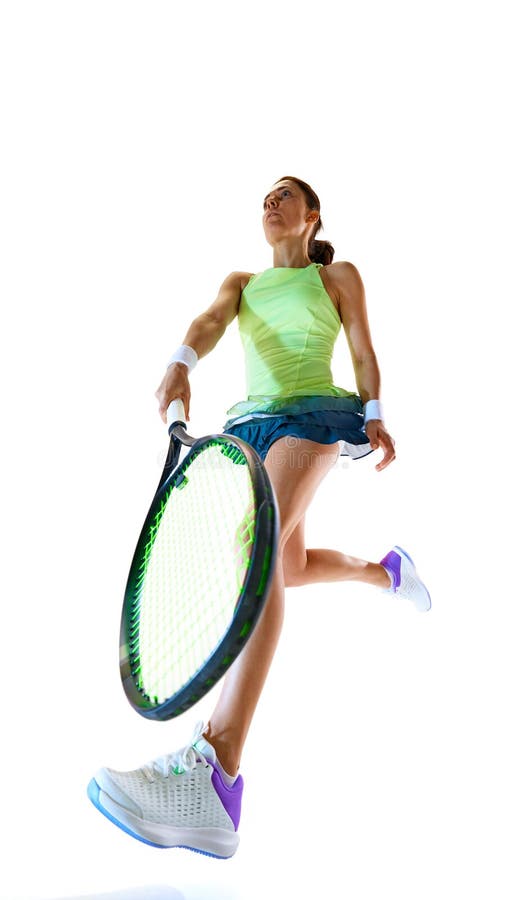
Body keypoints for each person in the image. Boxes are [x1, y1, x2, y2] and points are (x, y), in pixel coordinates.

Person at [87, 176, 431, 858]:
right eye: (265, 198)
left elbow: (362, 346)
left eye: (285, 196)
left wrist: (377, 414)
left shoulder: (337, 275)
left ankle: (218, 768)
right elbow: (209, 323)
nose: (270, 204)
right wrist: (180, 363)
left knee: (263, 558)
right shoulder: (241, 282)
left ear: (313, 216)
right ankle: (384, 572)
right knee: (288, 564)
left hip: (314, 417)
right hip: (251, 425)